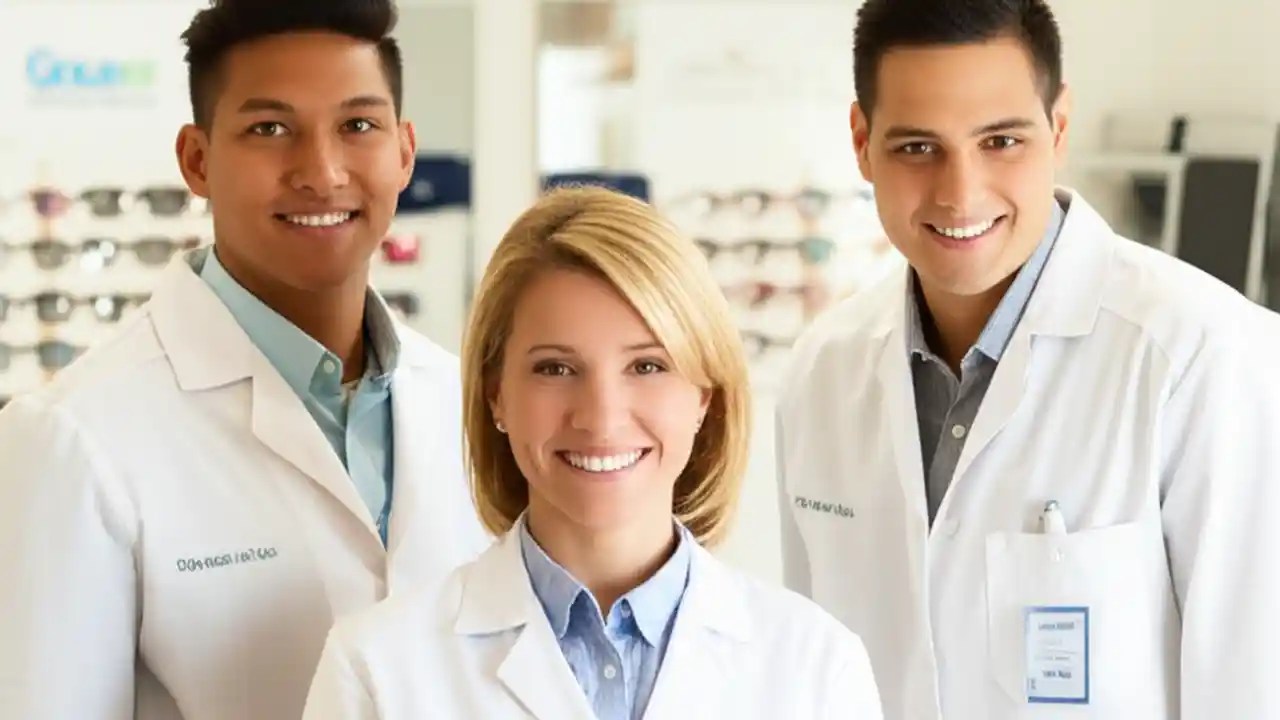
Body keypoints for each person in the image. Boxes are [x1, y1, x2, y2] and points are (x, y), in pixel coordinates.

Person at [774, 0, 1280, 718]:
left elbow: (1253, 690)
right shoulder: (820, 374)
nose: (960, 193)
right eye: (918, 147)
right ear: (861, 141)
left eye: (1001, 141)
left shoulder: (1205, 358)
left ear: (1059, 128)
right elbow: (814, 674)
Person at [0, 1, 490, 718]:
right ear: (197, 160)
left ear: (405, 151)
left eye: (358, 126)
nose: (321, 173)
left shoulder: (468, 403)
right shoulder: (71, 438)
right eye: (270, 129)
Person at [300, 186, 884, 720]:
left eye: (647, 366)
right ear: (495, 393)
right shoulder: (378, 669)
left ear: (704, 396)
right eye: (555, 368)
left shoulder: (817, 668)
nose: (601, 418)